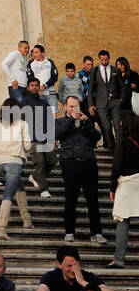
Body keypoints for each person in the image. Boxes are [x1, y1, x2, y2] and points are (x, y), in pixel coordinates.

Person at [56, 96, 105, 243]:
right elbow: (57, 134)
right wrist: (71, 119)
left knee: (93, 200)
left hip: (88, 162)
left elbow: (97, 136)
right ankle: (69, 231)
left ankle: (96, 232)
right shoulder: (59, 121)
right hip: (70, 163)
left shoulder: (86, 121)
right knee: (71, 198)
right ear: (64, 106)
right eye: (70, 106)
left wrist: (87, 123)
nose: (74, 109)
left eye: (76, 106)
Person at [0, 97, 33, 240]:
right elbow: (27, 145)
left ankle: (27, 220)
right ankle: (1, 229)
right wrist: (29, 150)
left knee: (19, 186)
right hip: (13, 161)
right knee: (8, 193)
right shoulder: (22, 124)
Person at [109, 112, 139, 268]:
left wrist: (112, 187)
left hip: (127, 183)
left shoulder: (123, 142)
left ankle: (119, 259)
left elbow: (117, 166)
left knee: (123, 220)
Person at [88, 50, 125, 152]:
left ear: (109, 59)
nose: (104, 62)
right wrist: (91, 104)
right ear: (99, 59)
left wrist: (122, 99)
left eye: (106, 59)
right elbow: (90, 88)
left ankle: (120, 147)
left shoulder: (116, 70)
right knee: (107, 127)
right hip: (101, 103)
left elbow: (122, 86)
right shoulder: (94, 71)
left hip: (115, 102)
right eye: (102, 60)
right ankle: (112, 148)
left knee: (117, 127)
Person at [24, 77, 56, 197]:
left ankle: (34, 176)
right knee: (40, 163)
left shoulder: (44, 102)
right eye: (32, 85)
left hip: (46, 137)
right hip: (33, 138)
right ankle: (43, 189)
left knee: (52, 161)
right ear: (28, 87)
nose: (34, 87)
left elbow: (50, 121)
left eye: (36, 85)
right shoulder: (24, 102)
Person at [1, 39, 30, 106]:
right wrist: (13, 79)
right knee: (18, 107)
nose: (27, 50)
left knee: (24, 108)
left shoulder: (24, 58)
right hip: (16, 87)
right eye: (25, 48)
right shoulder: (15, 54)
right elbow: (3, 64)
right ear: (19, 47)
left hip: (24, 87)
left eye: (28, 48)